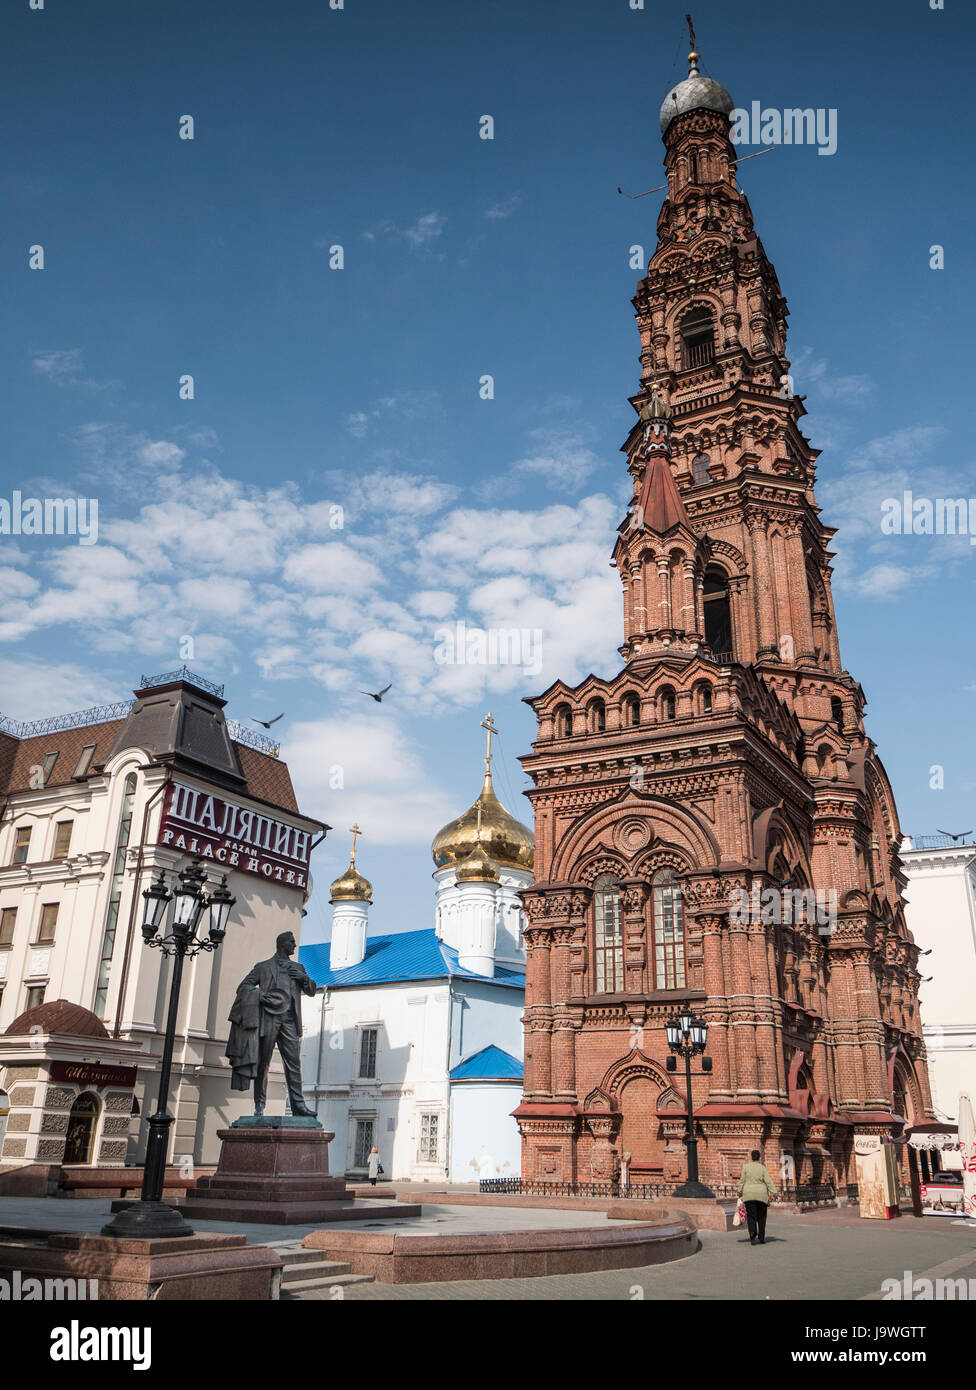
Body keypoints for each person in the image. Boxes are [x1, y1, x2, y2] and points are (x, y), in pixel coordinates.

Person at [738, 1149, 777, 1244]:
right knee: (762, 1216)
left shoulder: (746, 1167)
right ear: (759, 1157)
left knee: (751, 1216)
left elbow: (742, 1181)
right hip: (761, 1195)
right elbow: (768, 1181)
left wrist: (739, 1192)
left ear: (751, 1157)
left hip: (749, 1195)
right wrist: (775, 1193)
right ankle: (761, 1237)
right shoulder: (762, 1168)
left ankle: (752, 1233)